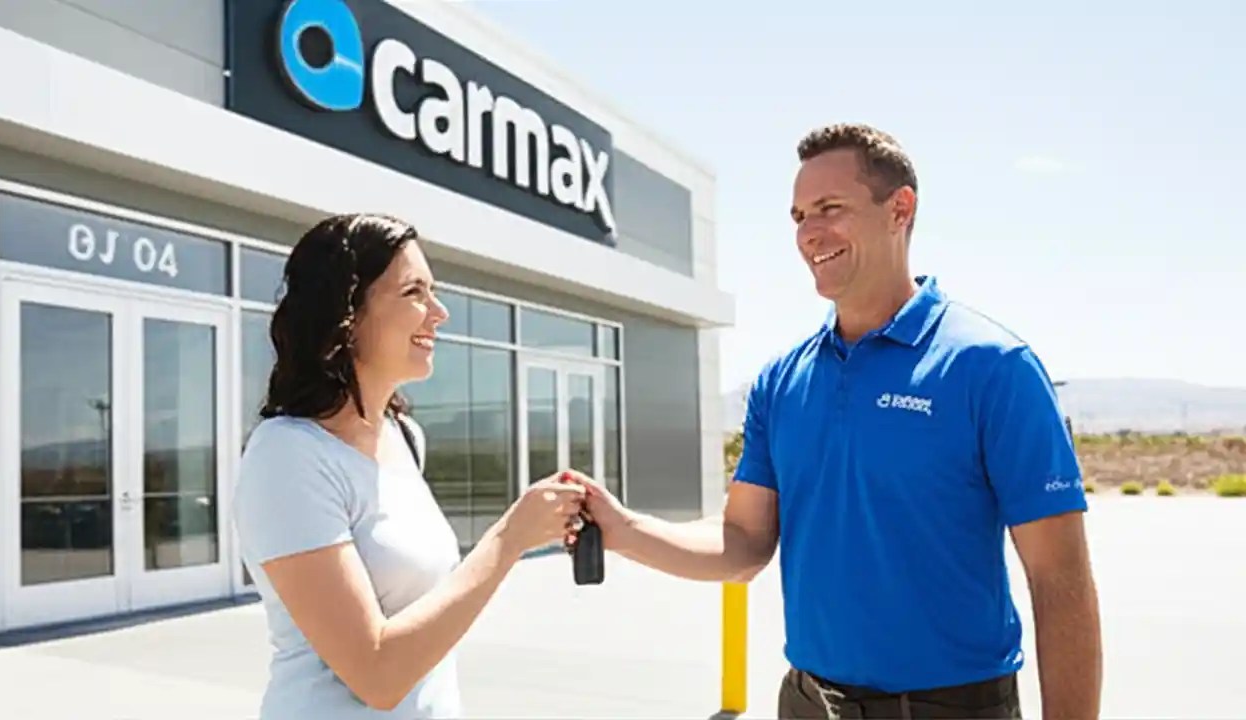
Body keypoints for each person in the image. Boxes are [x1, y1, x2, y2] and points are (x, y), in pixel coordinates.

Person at [566, 123, 1103, 719]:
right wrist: (622, 529)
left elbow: (1061, 581)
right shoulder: (780, 382)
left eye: (829, 209)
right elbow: (743, 545)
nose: (808, 234)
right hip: (805, 703)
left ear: (899, 209)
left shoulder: (993, 368)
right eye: (798, 216)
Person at [234, 213, 586, 719]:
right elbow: (377, 674)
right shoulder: (286, 456)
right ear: (347, 314)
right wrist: (509, 539)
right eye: (414, 292)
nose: (439, 312)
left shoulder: (404, 437)